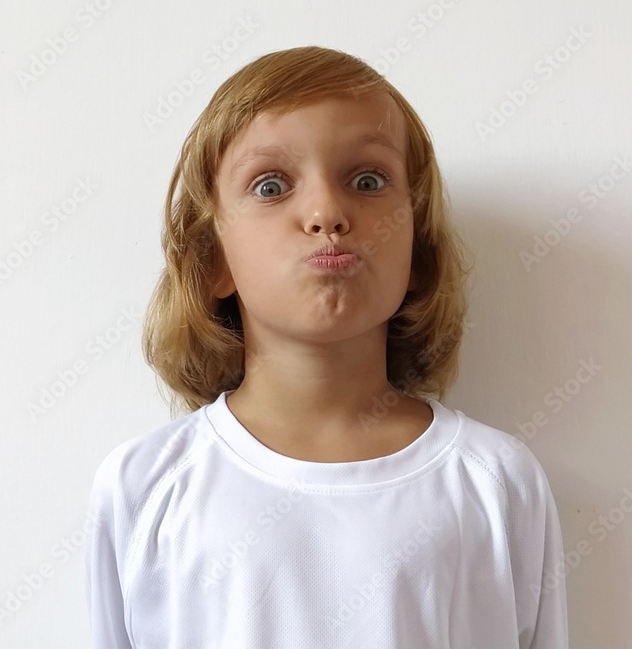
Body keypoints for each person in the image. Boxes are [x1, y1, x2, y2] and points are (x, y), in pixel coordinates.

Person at [83, 46, 569, 648]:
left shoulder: (496, 483)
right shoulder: (145, 486)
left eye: (367, 181)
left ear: (416, 248)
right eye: (270, 186)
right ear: (213, 260)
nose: (327, 212)